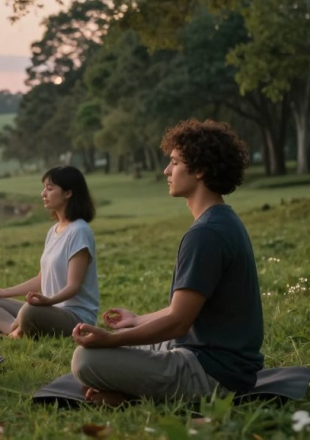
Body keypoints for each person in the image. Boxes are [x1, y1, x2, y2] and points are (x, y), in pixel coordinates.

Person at [71, 119, 264, 405]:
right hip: (209, 357)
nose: (166, 171)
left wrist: (109, 341)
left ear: (199, 170)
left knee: (85, 359)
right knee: (127, 333)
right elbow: (182, 312)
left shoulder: (206, 234)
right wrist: (135, 321)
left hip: (213, 375)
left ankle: (130, 398)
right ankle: (127, 391)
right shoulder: (223, 219)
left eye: (174, 162)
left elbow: (177, 323)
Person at [0, 166, 98, 338]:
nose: (43, 194)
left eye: (49, 189)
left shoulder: (79, 231)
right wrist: (2, 292)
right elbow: (41, 279)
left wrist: (48, 301)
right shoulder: (54, 231)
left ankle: (13, 332)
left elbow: (73, 286)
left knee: (29, 311)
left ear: (68, 193)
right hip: (47, 311)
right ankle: (16, 330)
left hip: (74, 318)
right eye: (44, 188)